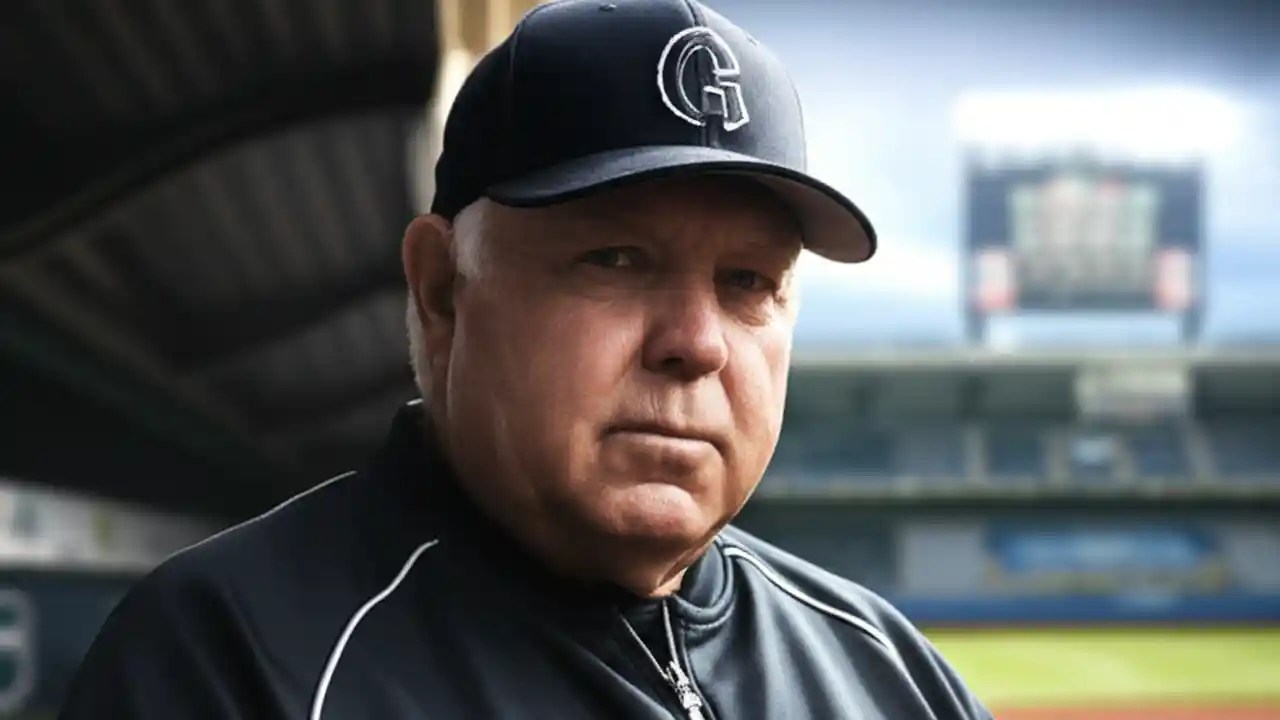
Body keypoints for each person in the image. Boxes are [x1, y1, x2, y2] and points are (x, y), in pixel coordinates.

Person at [61, 1, 992, 718]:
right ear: (440, 291)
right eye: (616, 259)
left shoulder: (888, 672)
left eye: (748, 281)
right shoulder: (226, 661)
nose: (698, 344)